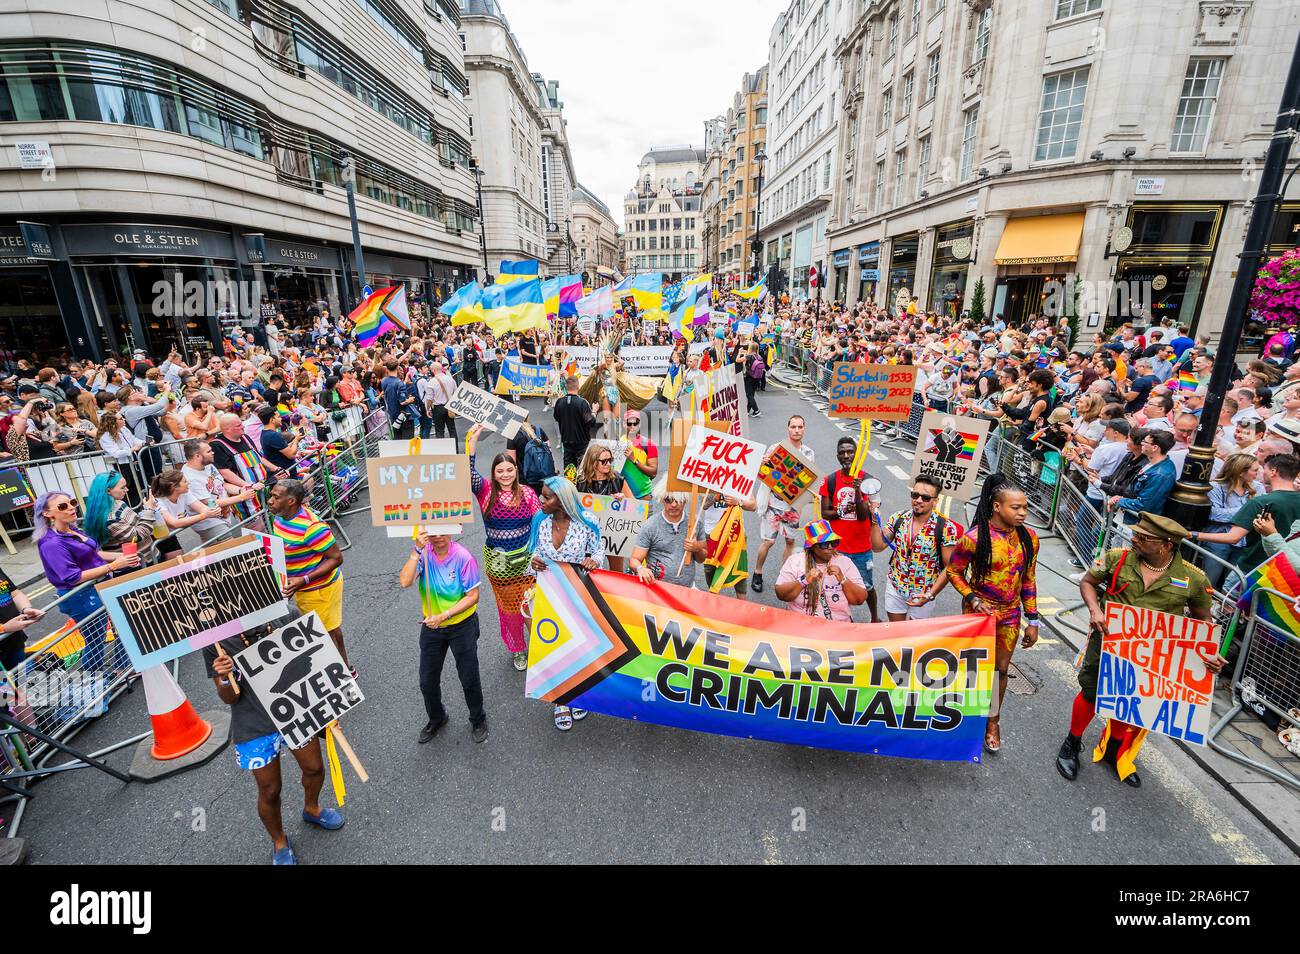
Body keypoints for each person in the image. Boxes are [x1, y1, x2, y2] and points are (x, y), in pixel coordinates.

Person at [1057, 512, 1222, 788]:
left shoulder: (1194, 579)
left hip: (1150, 653)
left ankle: (1114, 750)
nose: (1133, 538)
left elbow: (1203, 620)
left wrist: (1208, 652)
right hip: (1107, 640)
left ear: (1166, 545)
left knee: (1130, 699)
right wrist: (1095, 609)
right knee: (1090, 691)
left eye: (1142, 537)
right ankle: (1071, 743)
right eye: (1136, 534)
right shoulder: (1116, 557)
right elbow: (1087, 582)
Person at [205, 624, 344, 865]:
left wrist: (331, 707)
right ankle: (279, 842)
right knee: (269, 791)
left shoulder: (286, 614)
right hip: (254, 722)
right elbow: (230, 698)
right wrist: (224, 678)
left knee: (314, 768)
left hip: (295, 709)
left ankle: (312, 808)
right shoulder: (215, 641)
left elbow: (319, 662)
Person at [945, 474, 1039, 754]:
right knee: (972, 667)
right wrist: (972, 598)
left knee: (1000, 670)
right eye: (1016, 508)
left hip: (1010, 616)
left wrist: (1032, 620)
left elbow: (1029, 580)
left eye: (1025, 507)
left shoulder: (1030, 538)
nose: (1023, 513)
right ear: (997, 507)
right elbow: (954, 571)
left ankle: (992, 721)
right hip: (977, 613)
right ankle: (961, 715)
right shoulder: (974, 539)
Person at [34, 492, 140, 679]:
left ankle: (123, 669)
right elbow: (72, 577)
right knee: (95, 639)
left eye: (72, 502)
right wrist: (113, 566)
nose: (71, 508)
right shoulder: (51, 543)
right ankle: (95, 685)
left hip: (101, 587)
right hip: (80, 596)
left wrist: (123, 558)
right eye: (62, 506)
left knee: (124, 624)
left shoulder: (73, 529)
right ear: (47, 514)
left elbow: (95, 554)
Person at [526, 476, 604, 730]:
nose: (541, 500)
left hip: (577, 593)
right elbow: (533, 553)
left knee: (579, 647)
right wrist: (534, 562)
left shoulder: (587, 521)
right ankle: (560, 700)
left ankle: (578, 693)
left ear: (563, 501)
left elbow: (598, 553)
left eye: (547, 497)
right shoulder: (540, 520)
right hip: (549, 593)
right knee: (554, 647)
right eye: (542, 495)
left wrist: (594, 561)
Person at [399, 528, 488, 745]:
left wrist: (445, 615)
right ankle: (437, 717)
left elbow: (473, 596)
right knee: (427, 681)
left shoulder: (463, 557)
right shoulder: (424, 554)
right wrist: (416, 550)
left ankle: (478, 719)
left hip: (461, 625)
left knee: (469, 677)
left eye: (442, 531)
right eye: (433, 532)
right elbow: (404, 581)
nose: (438, 537)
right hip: (432, 627)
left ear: (452, 530)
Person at [465, 423, 539, 671]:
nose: (505, 474)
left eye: (510, 469)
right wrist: (472, 443)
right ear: (493, 473)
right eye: (500, 470)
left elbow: (541, 523)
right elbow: (468, 472)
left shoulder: (528, 493)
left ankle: (540, 647)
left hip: (528, 563)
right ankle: (519, 649)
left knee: (531, 607)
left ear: (516, 471)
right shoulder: (485, 491)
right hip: (501, 567)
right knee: (510, 611)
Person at [267, 479, 351, 672]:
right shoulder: (279, 517)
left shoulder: (312, 527)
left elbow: (336, 558)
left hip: (319, 588)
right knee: (328, 629)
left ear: (291, 501)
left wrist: (303, 579)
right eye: (271, 495)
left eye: (276, 497)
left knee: (323, 633)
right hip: (300, 586)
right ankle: (343, 671)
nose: (270, 501)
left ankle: (343, 676)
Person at [1193, 453, 1300, 574]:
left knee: (1226, 589)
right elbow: (1214, 514)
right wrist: (1246, 511)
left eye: (1262, 469)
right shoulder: (1218, 488)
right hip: (1278, 566)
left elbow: (1233, 537)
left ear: (1273, 471)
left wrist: (1193, 535)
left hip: (1252, 556)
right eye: (1255, 470)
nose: (1259, 473)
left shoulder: (1259, 498)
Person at [871, 476, 959, 620]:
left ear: (935, 501)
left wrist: (930, 595)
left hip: (924, 592)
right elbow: (877, 546)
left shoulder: (946, 528)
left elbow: (950, 567)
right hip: (896, 586)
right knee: (896, 633)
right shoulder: (898, 518)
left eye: (925, 498)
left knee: (915, 637)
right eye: (915, 495)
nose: (918, 500)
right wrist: (874, 521)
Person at [818, 436, 880, 622]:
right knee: (835, 586)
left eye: (850, 452)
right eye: (842, 452)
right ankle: (842, 618)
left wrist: (859, 494)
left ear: (856, 454)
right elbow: (825, 513)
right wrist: (841, 510)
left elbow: (863, 516)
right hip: (837, 548)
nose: (846, 455)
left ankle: (875, 618)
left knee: (867, 586)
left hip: (861, 548)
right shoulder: (830, 480)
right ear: (837, 455)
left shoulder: (867, 481)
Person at [752, 415, 814, 594]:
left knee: (790, 540)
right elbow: (762, 473)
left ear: (804, 429)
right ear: (788, 428)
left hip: (793, 507)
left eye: (799, 427)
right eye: (793, 427)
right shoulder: (776, 449)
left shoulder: (809, 453)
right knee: (768, 541)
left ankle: (785, 574)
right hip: (773, 504)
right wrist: (761, 464)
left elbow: (809, 481)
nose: (796, 430)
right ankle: (757, 572)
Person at [774, 520, 867, 620]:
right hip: (800, 626)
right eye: (824, 544)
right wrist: (803, 580)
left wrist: (843, 579)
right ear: (812, 546)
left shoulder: (845, 562)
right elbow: (781, 594)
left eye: (833, 542)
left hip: (837, 627)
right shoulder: (795, 561)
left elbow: (859, 599)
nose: (830, 547)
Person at [629, 490, 706, 589]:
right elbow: (634, 560)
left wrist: (696, 548)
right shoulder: (650, 525)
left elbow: (701, 559)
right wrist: (640, 569)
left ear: (685, 500)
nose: (673, 504)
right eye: (668, 500)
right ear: (662, 500)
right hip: (657, 589)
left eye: (678, 500)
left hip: (687, 588)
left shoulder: (695, 523)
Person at [573, 442, 631, 572]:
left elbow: (635, 507)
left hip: (613, 534)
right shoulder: (580, 482)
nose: (609, 464)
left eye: (610, 460)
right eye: (604, 461)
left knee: (617, 573)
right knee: (587, 571)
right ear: (593, 463)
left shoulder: (618, 479)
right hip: (589, 534)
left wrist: (624, 499)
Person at [82, 470, 160, 564]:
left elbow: (135, 522)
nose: (127, 490)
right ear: (108, 491)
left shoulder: (118, 503)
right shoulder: (109, 518)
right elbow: (137, 536)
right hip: (135, 566)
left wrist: (146, 510)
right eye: (122, 487)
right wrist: (149, 510)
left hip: (149, 556)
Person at [1107, 429, 1177, 528]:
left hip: (1138, 525)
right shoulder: (1151, 463)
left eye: (1145, 442)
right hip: (1128, 518)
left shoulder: (1160, 474)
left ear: (1154, 447)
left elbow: (1144, 505)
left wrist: (1119, 500)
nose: (1141, 443)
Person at [210, 413, 268, 520]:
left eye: (241, 423)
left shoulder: (245, 437)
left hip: (263, 488)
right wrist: (249, 486)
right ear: (227, 429)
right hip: (245, 493)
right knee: (256, 524)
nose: (243, 426)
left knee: (269, 520)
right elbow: (225, 472)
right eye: (238, 425)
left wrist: (276, 469)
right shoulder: (217, 445)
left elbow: (260, 458)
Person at [151, 469, 228, 545]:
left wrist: (213, 510)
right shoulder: (158, 502)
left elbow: (202, 508)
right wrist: (204, 515)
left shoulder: (184, 493)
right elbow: (174, 523)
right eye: (185, 482)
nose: (188, 483)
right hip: (155, 537)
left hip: (168, 534)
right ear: (175, 487)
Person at [0, 568, 44, 672]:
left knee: (20, 681)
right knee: (7, 687)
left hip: (14, 640)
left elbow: (14, 594)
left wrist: (26, 609)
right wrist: (4, 628)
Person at [552, 375, 596, 475]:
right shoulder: (582, 403)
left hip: (567, 443)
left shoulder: (560, 402)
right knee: (583, 472)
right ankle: (581, 489)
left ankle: (570, 489)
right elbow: (590, 422)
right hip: (582, 443)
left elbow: (556, 417)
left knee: (569, 472)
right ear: (578, 386)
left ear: (566, 387)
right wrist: (594, 411)